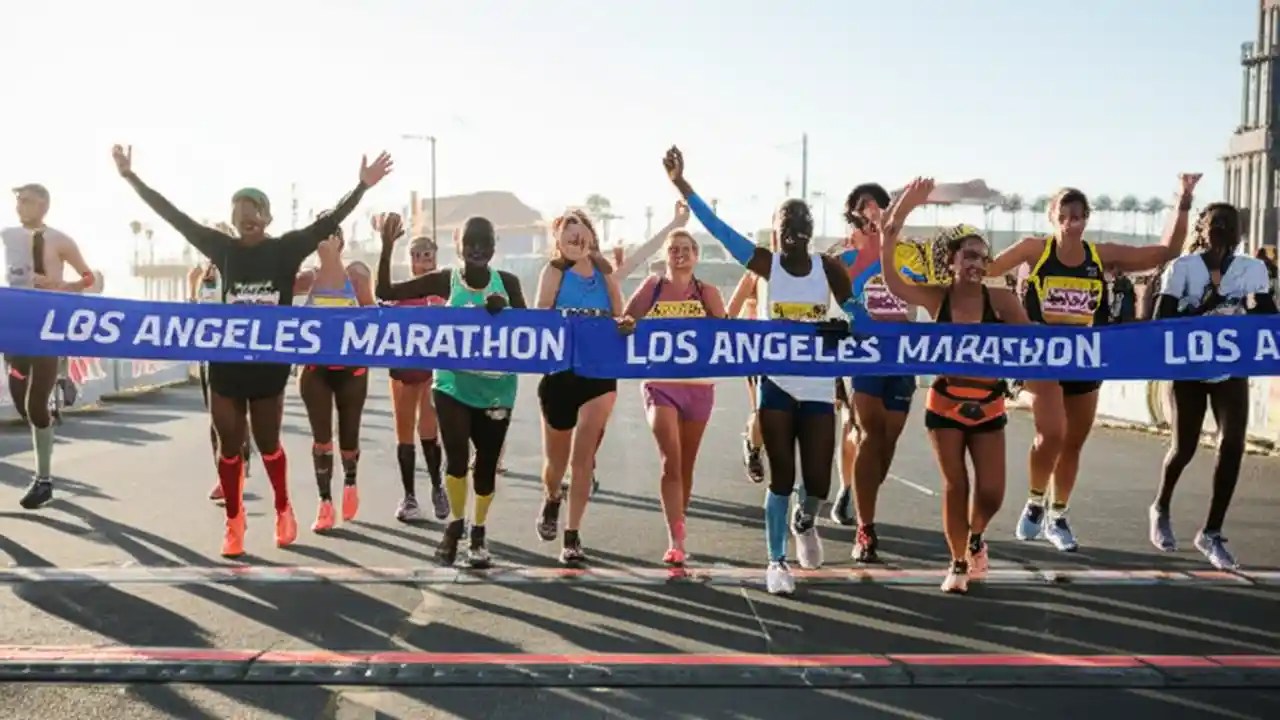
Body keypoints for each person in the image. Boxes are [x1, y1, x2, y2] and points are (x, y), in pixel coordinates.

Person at [112, 144, 393, 557]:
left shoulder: (284, 250)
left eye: (254, 212)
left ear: (267, 219)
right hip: (227, 364)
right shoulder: (220, 249)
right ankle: (235, 522)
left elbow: (330, 221)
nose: (246, 218)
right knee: (229, 445)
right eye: (239, 213)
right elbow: (172, 215)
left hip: (267, 366)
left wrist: (362, 186)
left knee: (268, 445)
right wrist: (130, 177)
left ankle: (283, 508)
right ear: (232, 221)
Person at [663, 145, 854, 595]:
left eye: (802, 224)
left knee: (819, 482)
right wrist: (681, 185)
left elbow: (858, 317)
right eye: (786, 225)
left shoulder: (829, 269)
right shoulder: (765, 264)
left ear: (811, 231)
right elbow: (718, 229)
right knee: (782, 475)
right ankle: (776, 561)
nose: (794, 231)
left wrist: (841, 325)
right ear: (775, 231)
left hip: (818, 384)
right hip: (776, 382)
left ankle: (804, 522)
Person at [984, 176, 1199, 551]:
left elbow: (1166, 251)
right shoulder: (1034, 250)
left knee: (1072, 443)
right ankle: (1035, 503)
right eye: (1064, 215)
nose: (1071, 223)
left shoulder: (1099, 255)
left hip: (1085, 359)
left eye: (1078, 216)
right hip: (1041, 359)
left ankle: (1059, 515)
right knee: (1052, 433)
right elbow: (985, 270)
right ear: (1052, 217)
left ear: (1086, 220)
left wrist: (1183, 201)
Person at [875, 178, 1049, 594]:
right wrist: (894, 224)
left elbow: (1032, 344)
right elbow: (894, 281)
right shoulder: (938, 300)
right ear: (952, 260)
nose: (977, 261)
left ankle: (976, 537)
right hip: (946, 405)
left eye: (983, 256)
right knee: (957, 484)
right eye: (969, 254)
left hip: (989, 405)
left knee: (991, 493)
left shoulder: (1002, 300)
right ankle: (956, 562)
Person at [375, 212, 525, 568]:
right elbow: (386, 292)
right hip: (452, 385)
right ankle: (456, 525)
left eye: (483, 242)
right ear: (458, 246)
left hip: (496, 389)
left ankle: (479, 531)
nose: (476, 249)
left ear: (493, 247)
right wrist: (385, 248)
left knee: (485, 465)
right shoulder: (446, 281)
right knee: (456, 461)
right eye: (469, 242)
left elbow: (534, 333)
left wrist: (506, 315)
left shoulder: (508, 282)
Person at [1150, 202, 1276, 569]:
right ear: (1202, 230)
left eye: (1230, 224)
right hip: (1189, 368)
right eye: (1216, 223)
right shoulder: (1182, 268)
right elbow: (1162, 320)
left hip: (1230, 367)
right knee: (1184, 447)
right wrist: (1205, 304)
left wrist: (1260, 298)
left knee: (1233, 443)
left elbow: (1266, 317)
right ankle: (1161, 505)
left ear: (1239, 232)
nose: (1222, 229)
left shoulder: (1251, 269)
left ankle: (1212, 531)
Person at [622, 227, 727, 565]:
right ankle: (675, 540)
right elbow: (627, 318)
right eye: (673, 249)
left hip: (698, 387)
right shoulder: (653, 286)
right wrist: (625, 324)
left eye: (686, 249)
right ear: (665, 256)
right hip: (660, 383)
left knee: (686, 464)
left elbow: (726, 334)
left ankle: (680, 523)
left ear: (696, 255)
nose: (679, 254)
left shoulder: (706, 291)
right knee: (671, 459)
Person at [532, 209, 624, 565]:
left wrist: (610, 275)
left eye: (580, 229)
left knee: (581, 456)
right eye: (567, 232)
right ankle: (553, 497)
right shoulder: (554, 272)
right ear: (558, 241)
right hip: (560, 374)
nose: (575, 237)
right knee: (555, 464)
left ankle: (571, 536)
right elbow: (540, 314)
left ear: (591, 235)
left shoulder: (604, 272)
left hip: (599, 374)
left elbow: (619, 312)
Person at [830, 182, 915, 560]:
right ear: (854, 217)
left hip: (903, 359)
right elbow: (832, 298)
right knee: (869, 434)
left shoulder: (905, 253)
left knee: (886, 443)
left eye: (878, 206)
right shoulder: (844, 261)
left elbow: (922, 296)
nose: (873, 213)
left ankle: (856, 489)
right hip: (864, 356)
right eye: (864, 208)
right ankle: (865, 530)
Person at [2, 183, 97, 508]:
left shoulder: (59, 240)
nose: (19, 207)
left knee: (35, 404)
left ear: (44, 205)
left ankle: (43, 480)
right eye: (17, 201)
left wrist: (61, 285)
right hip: (16, 326)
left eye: (26, 201)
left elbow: (90, 278)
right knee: (21, 401)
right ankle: (45, 423)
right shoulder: (10, 236)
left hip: (48, 326)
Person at [295, 221, 376, 532]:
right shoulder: (308, 277)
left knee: (349, 438)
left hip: (351, 371)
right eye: (319, 235)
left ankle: (351, 482)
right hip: (316, 371)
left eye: (331, 235)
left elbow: (373, 314)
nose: (325, 240)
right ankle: (325, 503)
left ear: (341, 242)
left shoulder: (356, 274)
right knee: (322, 439)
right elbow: (275, 294)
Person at [385, 233, 449, 523]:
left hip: (431, 371)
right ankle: (409, 495)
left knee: (429, 429)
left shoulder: (444, 293)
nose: (423, 262)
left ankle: (437, 486)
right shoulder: (398, 292)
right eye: (417, 256)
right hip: (403, 371)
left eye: (428, 255)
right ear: (408, 260)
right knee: (404, 430)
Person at [188, 260, 253, 505]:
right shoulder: (205, 277)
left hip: (236, 355)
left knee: (237, 417)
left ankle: (239, 467)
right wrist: (191, 285)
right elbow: (193, 314)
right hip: (210, 357)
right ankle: (224, 477)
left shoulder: (238, 276)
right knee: (216, 421)